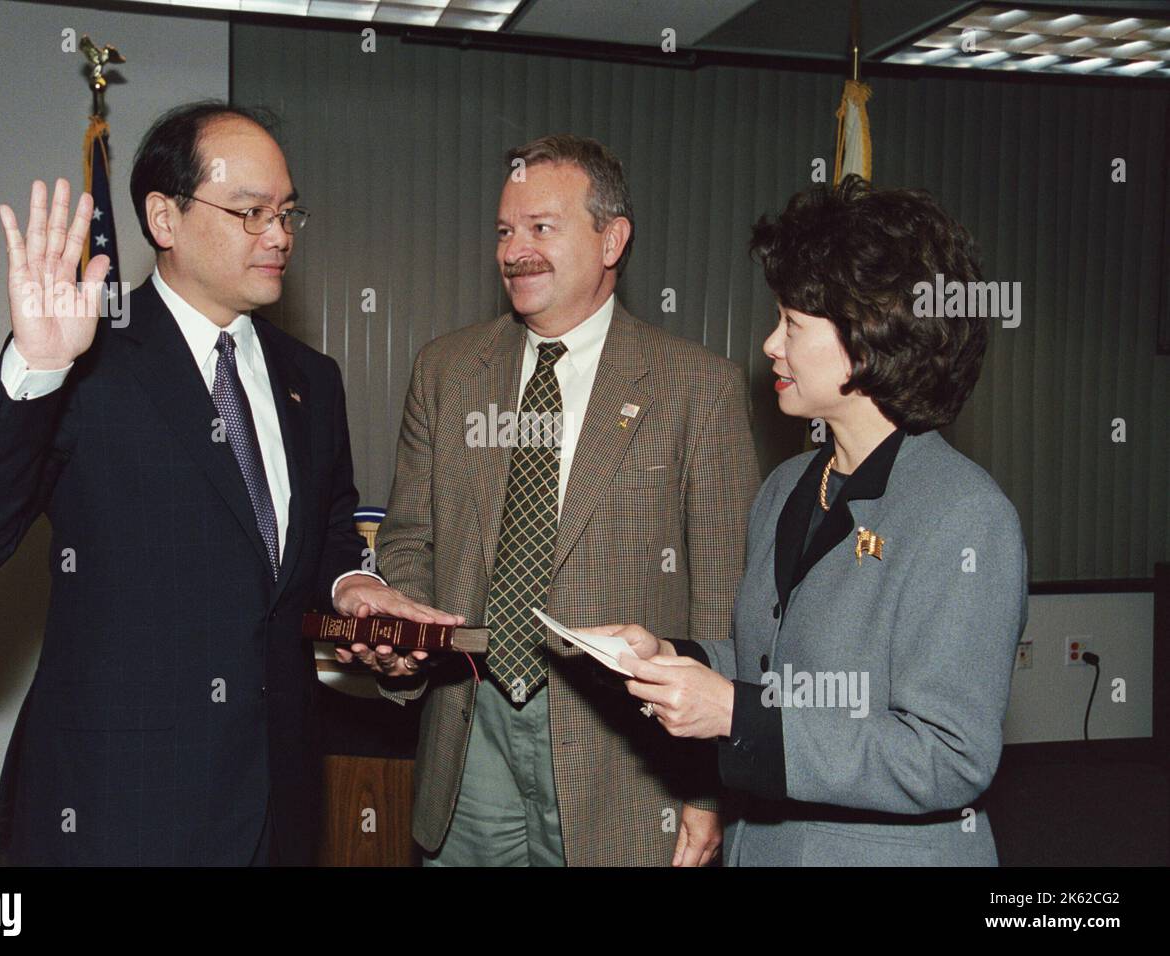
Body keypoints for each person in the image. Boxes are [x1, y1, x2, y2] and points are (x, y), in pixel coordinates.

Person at [0, 100, 456, 866]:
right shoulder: (85, 356)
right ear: (164, 218)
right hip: (116, 806)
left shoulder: (311, 380)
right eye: (251, 211)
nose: (280, 234)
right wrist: (33, 369)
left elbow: (326, 535)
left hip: (279, 800)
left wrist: (352, 589)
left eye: (288, 211)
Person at [337, 135, 760, 866]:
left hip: (627, 766)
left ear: (611, 239)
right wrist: (399, 645)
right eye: (504, 231)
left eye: (541, 228)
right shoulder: (446, 372)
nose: (515, 251)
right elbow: (410, 543)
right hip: (468, 739)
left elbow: (723, 599)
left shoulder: (697, 387)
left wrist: (707, 789)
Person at [608, 174, 1028, 866]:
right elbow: (777, 666)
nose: (771, 345)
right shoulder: (786, 488)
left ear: (867, 342)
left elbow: (948, 756)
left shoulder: (965, 517)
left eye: (793, 325)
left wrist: (739, 718)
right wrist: (677, 659)